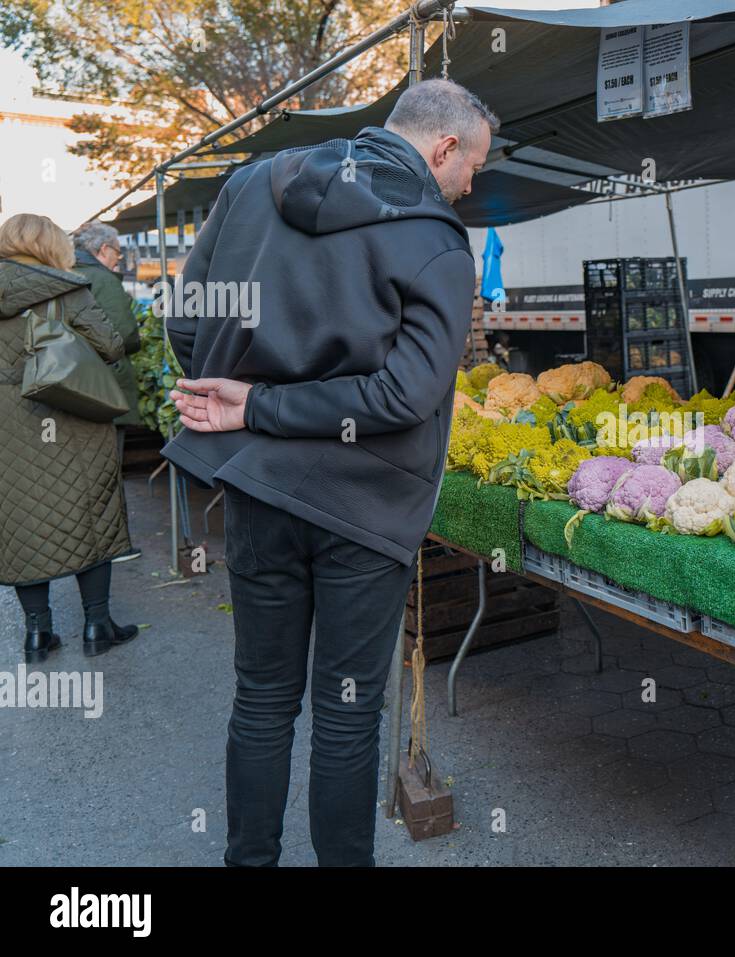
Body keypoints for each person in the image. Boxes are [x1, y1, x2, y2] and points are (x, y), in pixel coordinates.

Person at [162, 78, 495, 867]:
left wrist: (250, 405)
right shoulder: (439, 241)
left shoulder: (250, 187)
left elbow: (185, 322)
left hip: (261, 487)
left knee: (263, 696)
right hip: (364, 509)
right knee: (346, 715)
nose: (470, 186)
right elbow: (406, 394)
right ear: (443, 148)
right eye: (472, 167)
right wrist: (266, 407)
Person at [0, 213, 140, 663]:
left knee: (16, 525)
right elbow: (113, 345)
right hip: (73, 416)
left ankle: (37, 634)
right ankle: (97, 625)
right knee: (91, 514)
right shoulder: (67, 287)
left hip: (7, 427)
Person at [72, 221, 143, 563]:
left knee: (88, 471)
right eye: (116, 252)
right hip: (107, 387)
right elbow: (124, 335)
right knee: (108, 471)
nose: (118, 259)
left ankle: (89, 544)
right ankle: (115, 546)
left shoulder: (66, 274)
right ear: (102, 251)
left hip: (77, 388)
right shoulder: (101, 279)